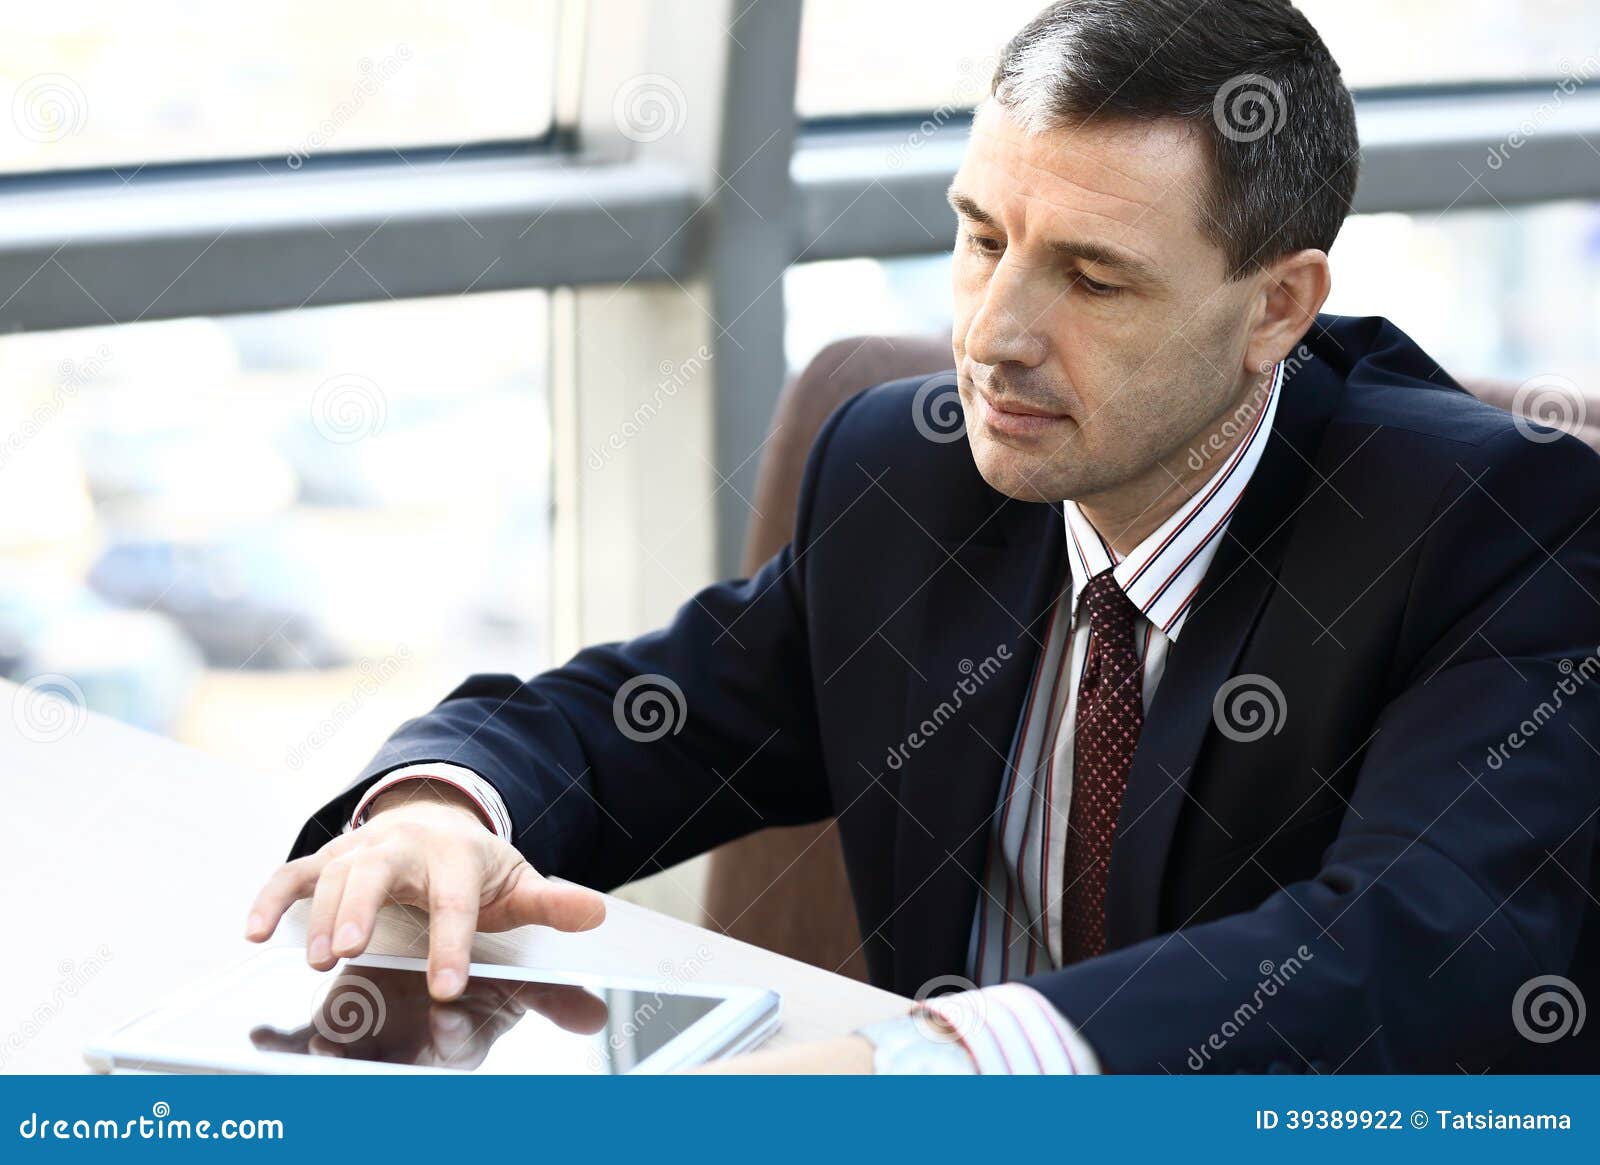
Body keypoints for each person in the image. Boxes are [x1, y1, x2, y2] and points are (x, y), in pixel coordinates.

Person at [247, 0, 1600, 1073]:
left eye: (1092, 274)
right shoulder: (911, 473)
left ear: (1278, 307)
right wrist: (440, 800)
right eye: (980, 236)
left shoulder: (1499, 528)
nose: (995, 335)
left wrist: (938, 1063)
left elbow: (1413, 950)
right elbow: (645, 714)